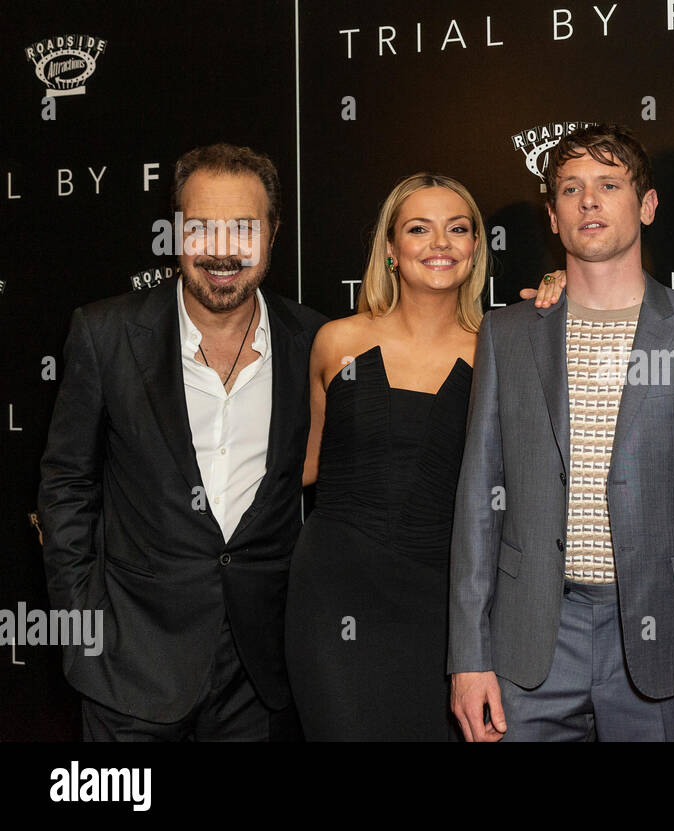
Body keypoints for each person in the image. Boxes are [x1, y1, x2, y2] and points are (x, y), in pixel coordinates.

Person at [448, 124, 674, 742]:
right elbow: (478, 504)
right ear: (553, 216)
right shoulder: (507, 334)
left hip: (662, 641)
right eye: (571, 188)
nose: (589, 201)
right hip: (530, 642)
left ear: (645, 206)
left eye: (608, 185)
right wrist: (468, 656)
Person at [38, 144, 327, 740]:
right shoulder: (106, 333)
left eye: (244, 228)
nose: (222, 250)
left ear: (274, 233)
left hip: (259, 677)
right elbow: (66, 484)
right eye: (200, 227)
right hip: (128, 667)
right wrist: (81, 623)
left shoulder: (314, 342)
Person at [285, 174, 482, 740]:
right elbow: (305, 465)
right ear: (391, 250)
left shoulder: (502, 350)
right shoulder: (336, 342)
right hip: (334, 594)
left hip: (443, 604)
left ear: (474, 250)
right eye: (419, 228)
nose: (440, 243)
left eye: (457, 229)